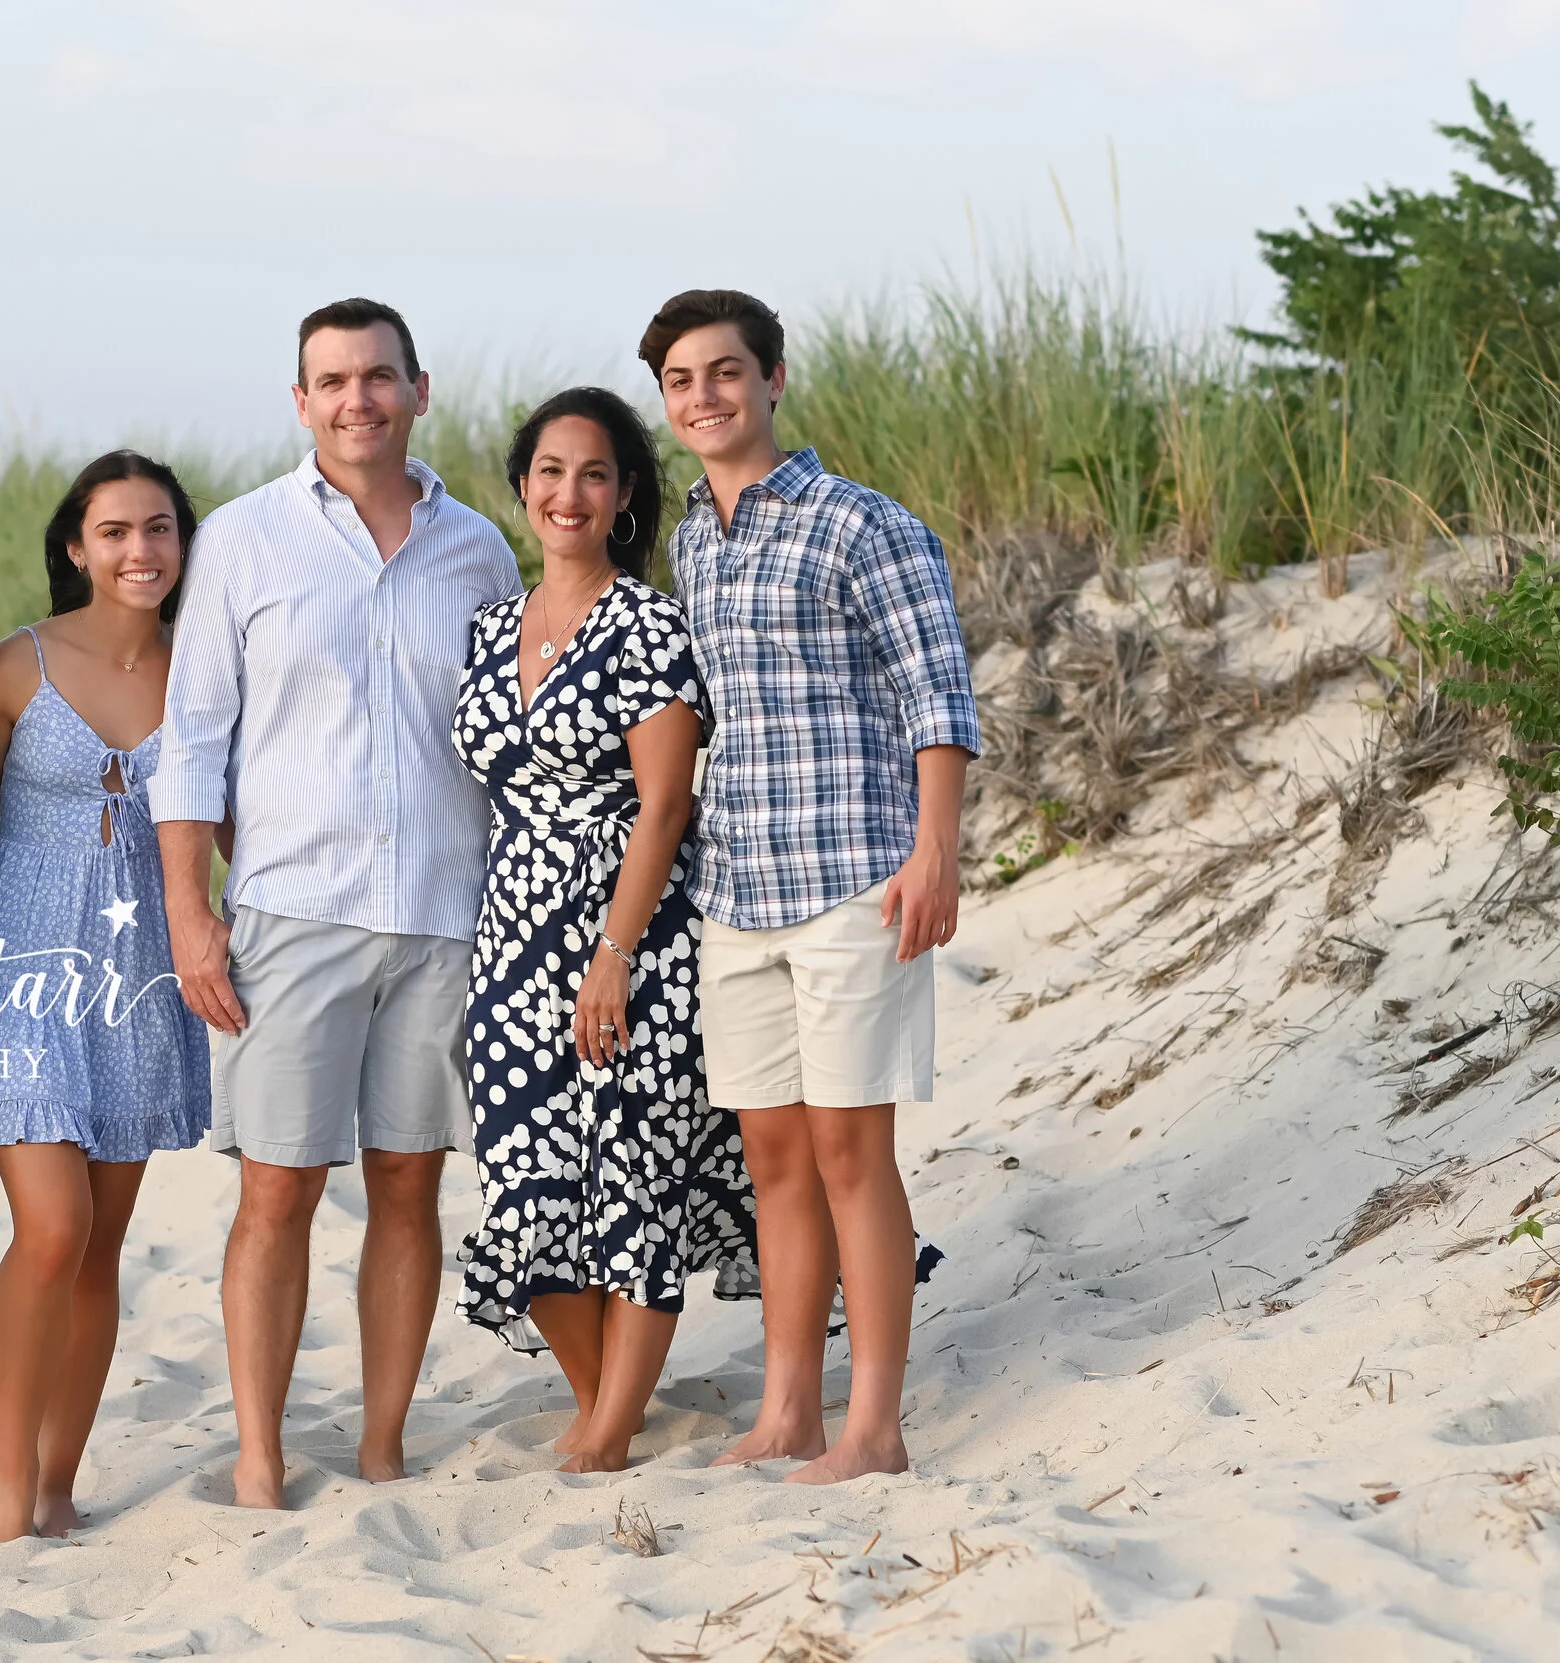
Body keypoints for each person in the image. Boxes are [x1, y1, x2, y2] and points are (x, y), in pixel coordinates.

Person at [153, 298, 524, 1509]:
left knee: (410, 1182)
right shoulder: (241, 541)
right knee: (279, 1184)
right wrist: (188, 910)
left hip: (441, 912)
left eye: (378, 377)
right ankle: (260, 1455)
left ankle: (381, 1441)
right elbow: (194, 735)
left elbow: (500, 739)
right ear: (300, 401)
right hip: (292, 909)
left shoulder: (477, 549)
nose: (356, 398)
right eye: (331, 381)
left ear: (419, 388)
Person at [641, 289, 980, 1485]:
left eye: (724, 372)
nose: (703, 397)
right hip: (738, 889)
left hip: (854, 877)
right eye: (680, 381)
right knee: (773, 1160)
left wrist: (934, 851)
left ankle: (874, 1425)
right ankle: (788, 1408)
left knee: (851, 1155)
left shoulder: (862, 523)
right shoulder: (693, 537)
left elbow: (938, 692)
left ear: (772, 379)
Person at [452, 387, 758, 1473]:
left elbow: (665, 805)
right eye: (548, 471)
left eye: (592, 474)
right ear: (523, 485)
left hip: (630, 932)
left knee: (630, 1172)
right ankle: (602, 1406)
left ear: (625, 494)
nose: (567, 493)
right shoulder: (491, 626)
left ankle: (610, 1430)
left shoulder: (646, 623)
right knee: (524, 1180)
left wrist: (613, 957)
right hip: (509, 937)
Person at [0, 451, 214, 1542]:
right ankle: (11, 1483)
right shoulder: (17, 665)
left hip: (138, 968)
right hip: (19, 959)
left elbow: (224, 829)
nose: (139, 550)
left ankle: (61, 1482)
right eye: (114, 531)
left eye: (158, 529)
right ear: (75, 546)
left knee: (101, 1243)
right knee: (51, 1229)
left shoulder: (205, 672)